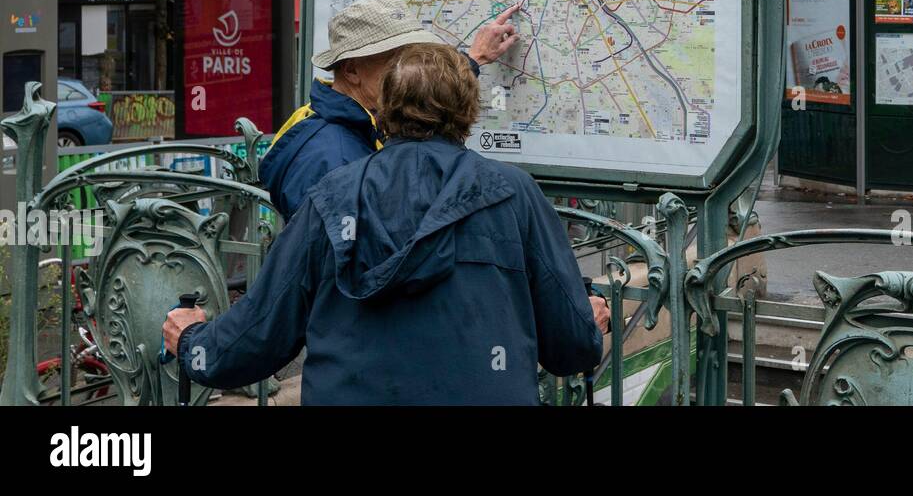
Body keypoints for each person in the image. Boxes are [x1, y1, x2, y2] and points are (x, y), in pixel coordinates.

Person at [164, 43, 609, 405]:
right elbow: (572, 348)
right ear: (469, 111)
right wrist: (589, 322)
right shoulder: (513, 193)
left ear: (383, 110)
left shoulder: (333, 196)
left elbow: (257, 337)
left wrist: (191, 341)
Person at [260, 0, 520, 218]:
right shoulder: (332, 158)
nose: (411, 72)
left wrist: (472, 61)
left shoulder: (351, 122)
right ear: (351, 70)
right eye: (399, 62)